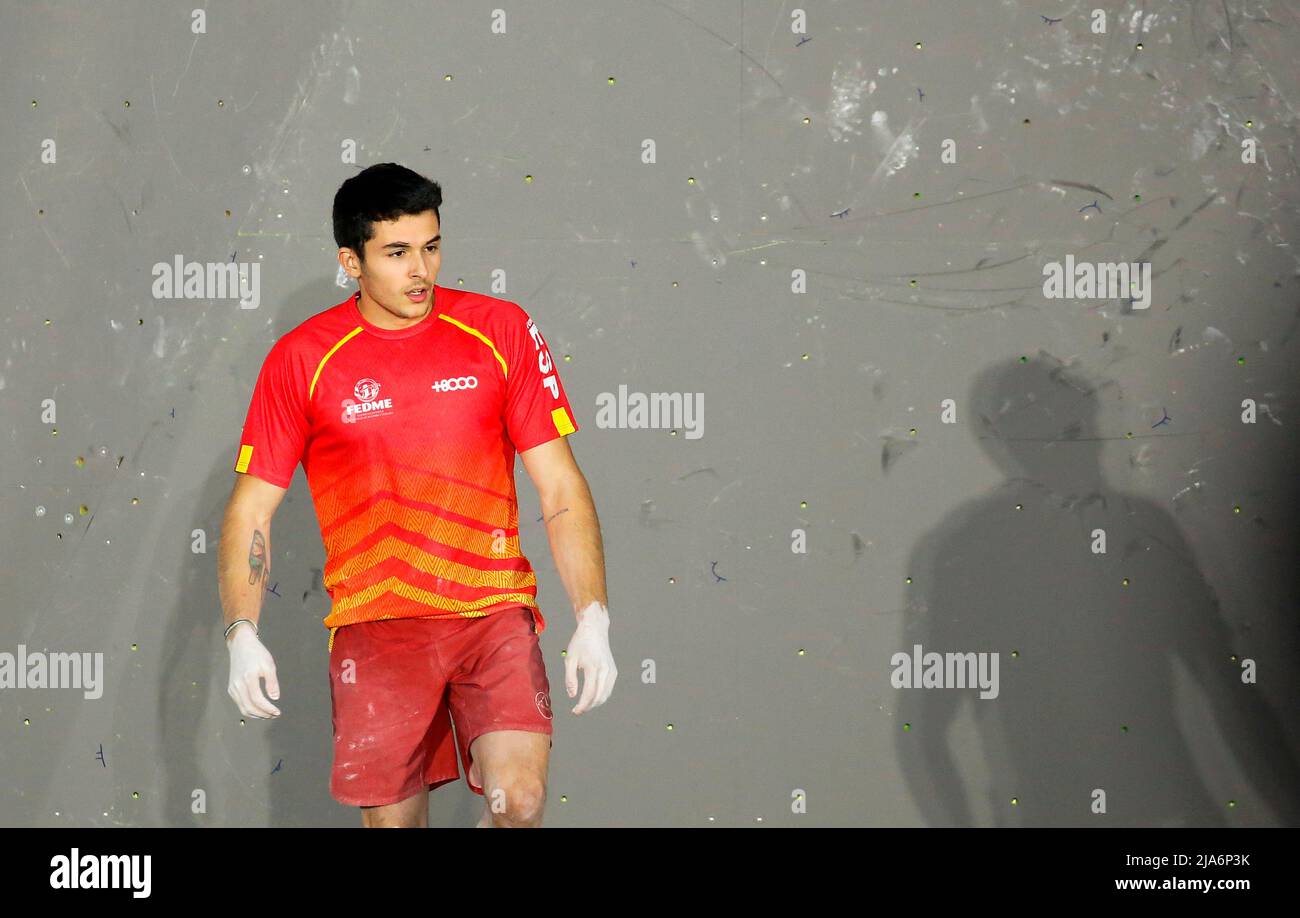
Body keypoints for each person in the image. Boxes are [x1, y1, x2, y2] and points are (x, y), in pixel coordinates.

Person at [217, 163, 616, 827]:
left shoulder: (501, 328)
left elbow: (561, 486)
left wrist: (593, 614)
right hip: (378, 631)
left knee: (518, 803)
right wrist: (240, 630)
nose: (420, 271)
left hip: (493, 616)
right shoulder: (301, 359)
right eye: (397, 253)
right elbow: (250, 512)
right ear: (351, 260)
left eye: (431, 247)